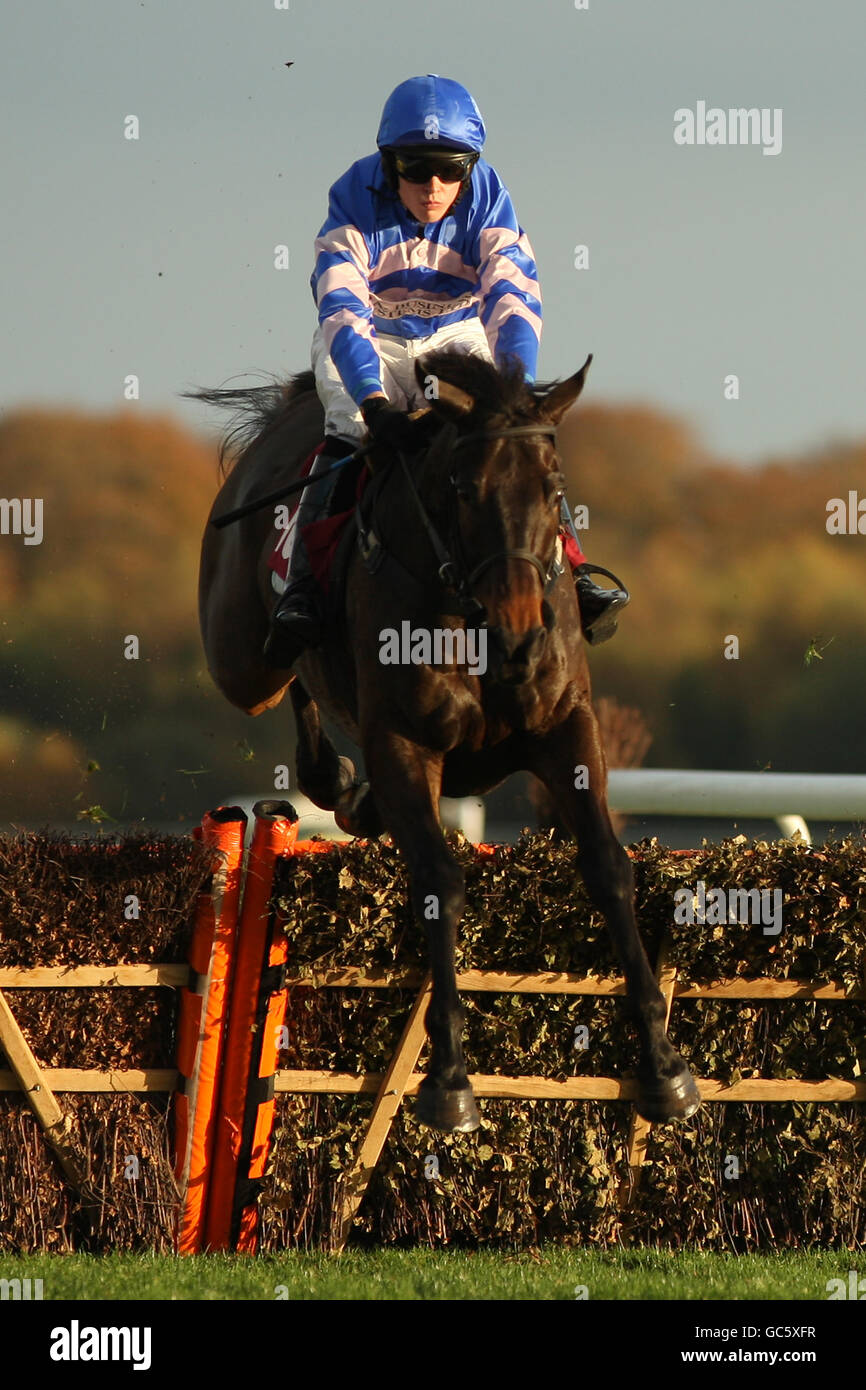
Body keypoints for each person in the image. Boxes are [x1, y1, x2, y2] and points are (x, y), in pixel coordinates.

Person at [263, 73, 628, 668]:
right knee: (351, 427)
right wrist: (376, 402)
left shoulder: (490, 197)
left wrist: (510, 392)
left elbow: (513, 300)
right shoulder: (351, 197)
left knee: (508, 441)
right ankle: (303, 588)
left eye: (450, 168)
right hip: (369, 333)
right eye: (414, 167)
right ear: (389, 163)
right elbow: (341, 306)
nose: (432, 186)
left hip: (455, 330)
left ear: (470, 166)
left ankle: (578, 572)